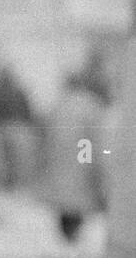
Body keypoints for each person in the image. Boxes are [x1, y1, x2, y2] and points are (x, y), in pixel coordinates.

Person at [41, 71, 108, 245]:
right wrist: (88, 163)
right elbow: (92, 138)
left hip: (61, 162)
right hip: (80, 159)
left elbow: (48, 137)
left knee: (67, 203)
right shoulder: (91, 105)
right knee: (77, 201)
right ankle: (73, 239)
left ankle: (68, 240)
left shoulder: (59, 105)